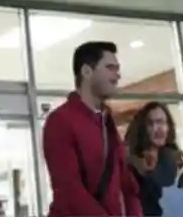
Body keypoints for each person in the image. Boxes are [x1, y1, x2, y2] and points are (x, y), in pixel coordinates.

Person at [42, 41, 142, 217]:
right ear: (87, 71)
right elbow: (69, 190)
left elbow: (126, 183)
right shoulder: (60, 121)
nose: (117, 75)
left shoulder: (107, 122)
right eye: (110, 68)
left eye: (117, 69)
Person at [123, 102, 183, 216]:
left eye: (161, 122)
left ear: (169, 127)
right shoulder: (131, 162)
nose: (157, 128)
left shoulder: (179, 161)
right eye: (150, 124)